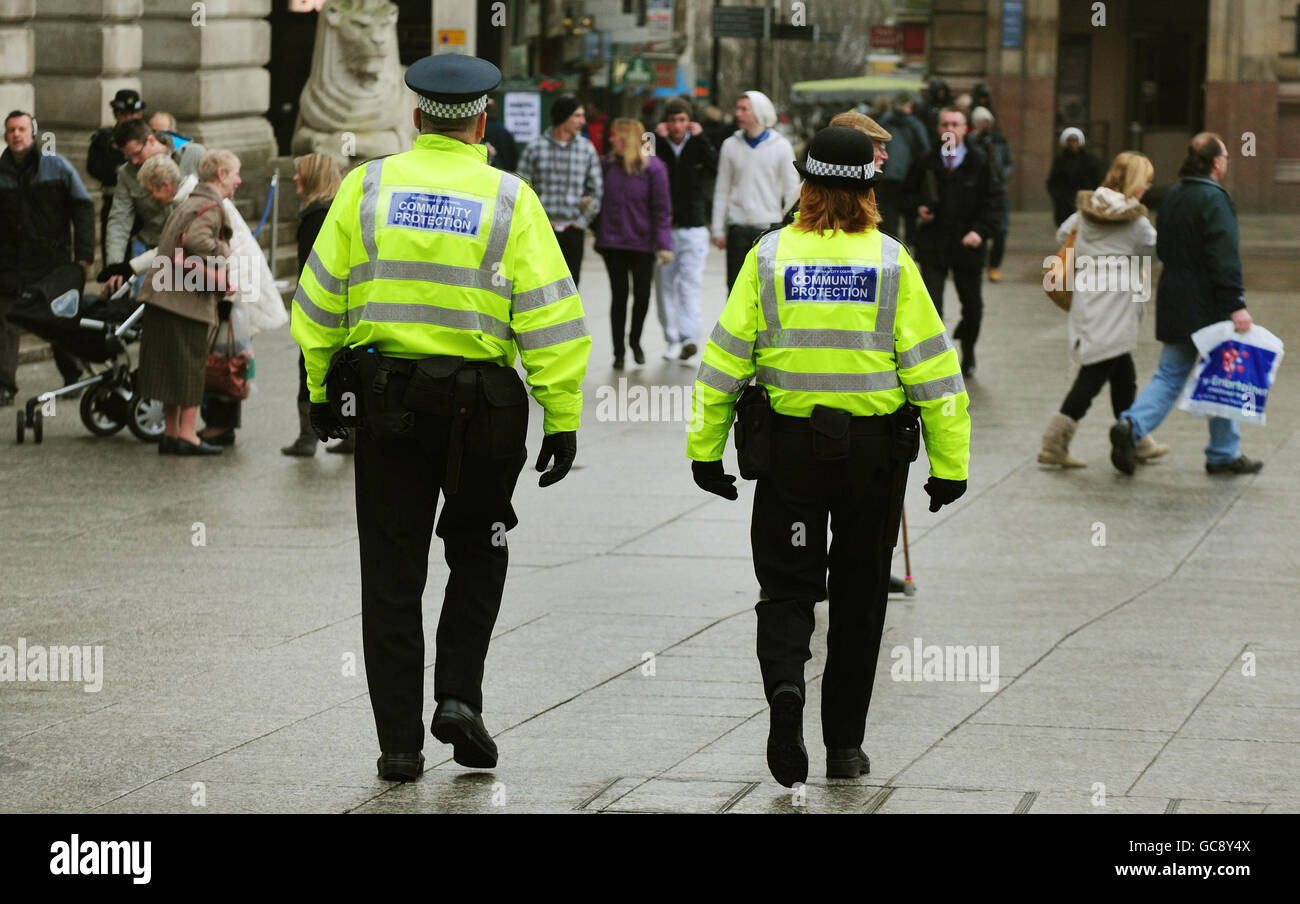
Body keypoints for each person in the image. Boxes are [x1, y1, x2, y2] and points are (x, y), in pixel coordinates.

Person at [291, 54, 591, 783]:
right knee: (480, 548)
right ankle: (458, 696)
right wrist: (562, 416)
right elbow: (551, 317)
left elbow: (320, 299)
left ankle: (399, 745)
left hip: (389, 406)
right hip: (482, 412)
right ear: (481, 120)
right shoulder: (510, 200)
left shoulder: (366, 187)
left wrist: (321, 390)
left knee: (391, 571)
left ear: (417, 117)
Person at [687, 125, 970, 788]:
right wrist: (950, 463)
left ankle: (786, 686)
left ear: (805, 184)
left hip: (788, 454)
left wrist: (705, 450)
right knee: (860, 599)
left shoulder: (768, 257)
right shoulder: (893, 261)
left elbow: (725, 360)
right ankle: (844, 746)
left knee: (786, 587)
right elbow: (934, 370)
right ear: (870, 189)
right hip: (873, 460)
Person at [1109, 133, 1263, 477]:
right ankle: (1223, 454)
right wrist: (1236, 303)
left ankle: (1131, 426)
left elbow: (1163, 249)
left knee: (1170, 374)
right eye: (1224, 155)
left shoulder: (1173, 195)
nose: (1226, 160)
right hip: (1209, 305)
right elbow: (1223, 258)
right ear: (1216, 162)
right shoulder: (1215, 199)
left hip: (1175, 297)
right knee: (1224, 376)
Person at [1038, 151, 1168, 468]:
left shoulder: (1087, 208)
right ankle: (1054, 442)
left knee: (1122, 372)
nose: (1147, 188)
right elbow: (1158, 250)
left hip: (1089, 299)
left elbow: (1062, 235)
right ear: (1136, 182)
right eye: (1146, 181)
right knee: (1094, 375)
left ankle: (1137, 438)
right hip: (1118, 302)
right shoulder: (1135, 220)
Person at [135, 149, 241, 456]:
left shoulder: (189, 202)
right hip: (186, 302)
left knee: (169, 368)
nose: (239, 180)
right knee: (192, 368)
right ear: (220, 175)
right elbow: (197, 244)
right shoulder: (210, 205)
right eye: (235, 173)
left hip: (163, 297)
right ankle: (187, 435)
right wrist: (224, 249)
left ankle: (170, 433)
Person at [0, 110, 96, 406]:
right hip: (10, 263)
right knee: (6, 323)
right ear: (6, 136)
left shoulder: (57, 167)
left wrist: (84, 254)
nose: (17, 134)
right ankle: (4, 386)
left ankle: (73, 375)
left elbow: (82, 209)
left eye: (22, 129)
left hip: (51, 262)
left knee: (58, 320)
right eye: (11, 130)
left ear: (33, 133)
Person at [913, 106, 1004, 378]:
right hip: (933, 246)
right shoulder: (926, 161)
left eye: (955, 124)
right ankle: (937, 359)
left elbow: (995, 203)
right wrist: (918, 208)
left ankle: (969, 350)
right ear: (938, 129)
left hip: (967, 247)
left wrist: (980, 231)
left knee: (973, 308)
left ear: (966, 129)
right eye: (944, 124)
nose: (949, 129)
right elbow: (904, 195)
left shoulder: (980, 162)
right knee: (932, 307)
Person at [595, 117, 672, 370]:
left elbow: (662, 209)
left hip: (643, 243)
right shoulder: (606, 165)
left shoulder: (654, 168)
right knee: (619, 296)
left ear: (626, 138)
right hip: (613, 242)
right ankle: (618, 351)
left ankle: (635, 341)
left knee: (642, 294)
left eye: (615, 135)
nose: (610, 139)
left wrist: (663, 244)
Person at [99, 119, 206, 294]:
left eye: (136, 154)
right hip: (151, 248)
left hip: (192, 250)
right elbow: (119, 219)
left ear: (150, 140)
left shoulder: (194, 155)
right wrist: (115, 265)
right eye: (128, 156)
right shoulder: (127, 173)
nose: (133, 161)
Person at [282, 152, 343, 457]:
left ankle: (307, 438)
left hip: (321, 308)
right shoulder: (337, 211)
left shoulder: (315, 217)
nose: (295, 178)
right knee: (345, 367)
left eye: (300, 173)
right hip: (344, 306)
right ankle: (353, 434)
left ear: (313, 178)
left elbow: (312, 269)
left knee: (308, 366)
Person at [711, 91, 800, 291]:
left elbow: (792, 191)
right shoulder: (730, 145)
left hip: (768, 229)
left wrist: (793, 227)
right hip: (738, 228)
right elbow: (722, 188)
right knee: (735, 289)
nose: (738, 114)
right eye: (737, 109)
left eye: (744, 109)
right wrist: (718, 228)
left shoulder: (782, 146)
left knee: (766, 290)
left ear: (759, 112)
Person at [654, 97, 718, 365]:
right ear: (666, 123)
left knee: (690, 284)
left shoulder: (697, 144)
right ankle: (672, 339)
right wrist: (651, 134)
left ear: (689, 121)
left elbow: (715, 166)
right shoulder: (657, 144)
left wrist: (700, 137)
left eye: (682, 120)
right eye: (672, 120)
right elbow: (641, 165)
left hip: (693, 225)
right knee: (665, 285)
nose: (677, 125)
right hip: (664, 227)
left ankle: (689, 337)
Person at [516, 95, 603, 287]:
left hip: (574, 230)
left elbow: (597, 190)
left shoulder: (586, 149)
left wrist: (582, 222)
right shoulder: (535, 147)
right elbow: (520, 188)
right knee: (538, 286)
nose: (583, 121)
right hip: (542, 229)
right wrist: (532, 222)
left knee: (571, 288)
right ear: (564, 117)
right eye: (578, 116)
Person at [87, 89, 145, 265]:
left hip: (143, 207)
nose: (129, 118)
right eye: (124, 114)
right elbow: (95, 168)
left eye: (133, 113)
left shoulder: (148, 139)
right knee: (115, 259)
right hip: (113, 202)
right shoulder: (104, 140)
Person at [877, 91, 930, 245]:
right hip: (910, 177)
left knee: (888, 216)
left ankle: (890, 245)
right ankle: (908, 248)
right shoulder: (915, 125)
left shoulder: (884, 122)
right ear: (909, 106)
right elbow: (924, 150)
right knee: (910, 217)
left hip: (886, 175)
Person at [967, 106, 1013, 282]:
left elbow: (1009, 163)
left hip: (998, 189)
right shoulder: (970, 141)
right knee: (980, 229)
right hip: (976, 191)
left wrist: (1002, 175)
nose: (985, 125)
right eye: (981, 121)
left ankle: (994, 266)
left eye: (987, 121)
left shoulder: (1000, 141)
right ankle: (980, 263)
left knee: (1000, 231)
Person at [1047, 127, 1101, 227]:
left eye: (1076, 140)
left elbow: (1096, 180)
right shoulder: (1060, 161)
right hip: (1064, 203)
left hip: (1084, 201)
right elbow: (1053, 181)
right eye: (1070, 140)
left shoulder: (1091, 161)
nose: (1073, 144)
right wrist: (1058, 197)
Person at [481, 97, 517, 173]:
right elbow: (513, 158)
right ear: (496, 111)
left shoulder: (477, 131)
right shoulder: (503, 131)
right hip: (502, 175)